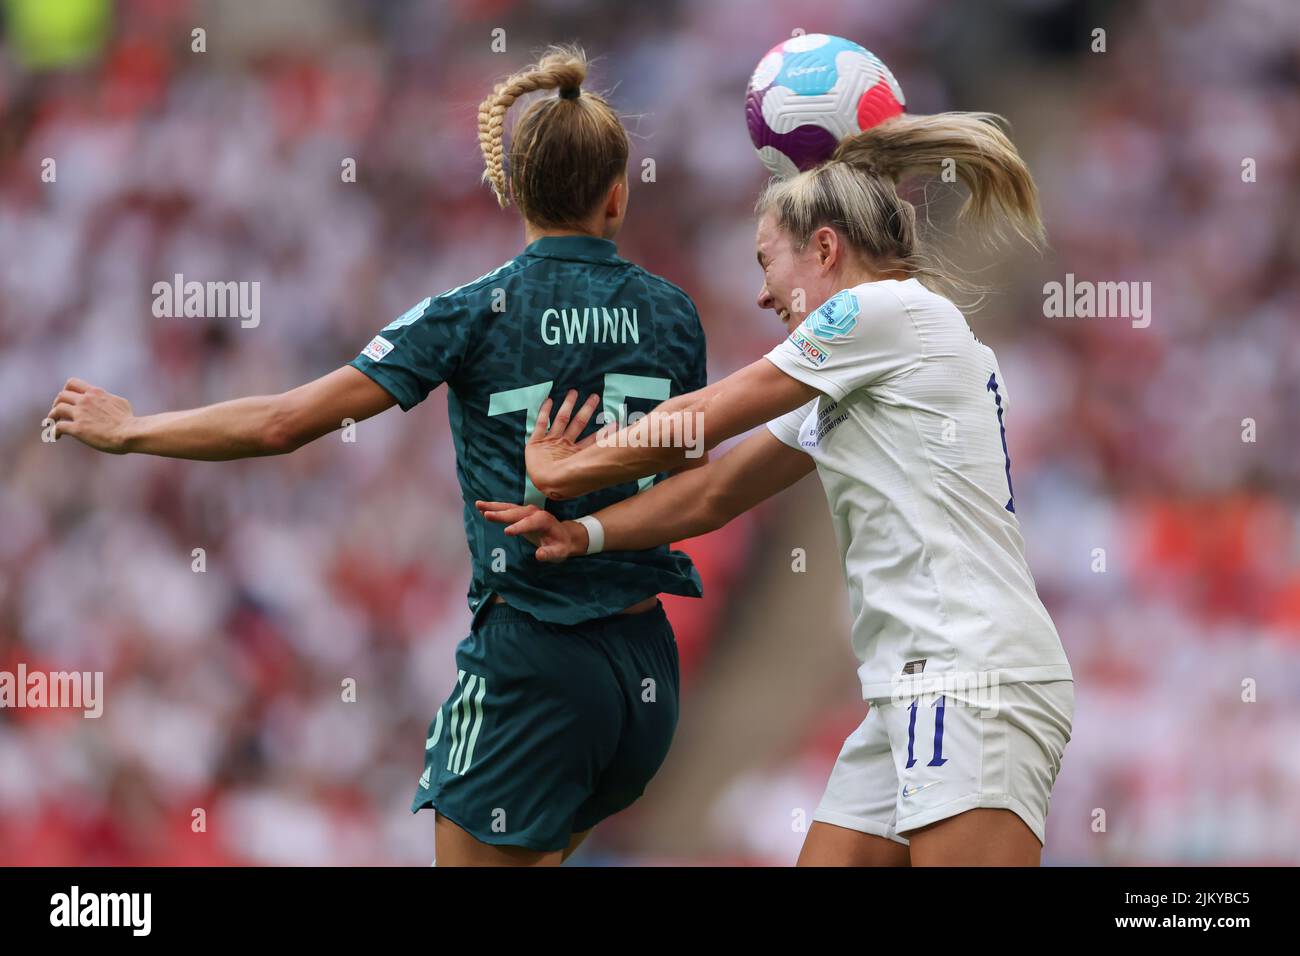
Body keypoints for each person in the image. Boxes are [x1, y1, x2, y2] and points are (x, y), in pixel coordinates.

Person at [46, 46, 709, 867]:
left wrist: (135, 428)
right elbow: (687, 479)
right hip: (645, 677)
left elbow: (285, 423)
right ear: (618, 195)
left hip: (536, 661)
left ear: (510, 192)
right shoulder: (676, 316)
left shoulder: (470, 313)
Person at [477, 112, 1075, 866]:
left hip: (970, 677)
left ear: (826, 249)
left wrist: (566, 467)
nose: (763, 295)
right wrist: (586, 533)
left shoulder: (879, 312)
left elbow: (707, 416)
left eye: (767, 263)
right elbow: (715, 491)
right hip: (912, 686)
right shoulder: (868, 364)